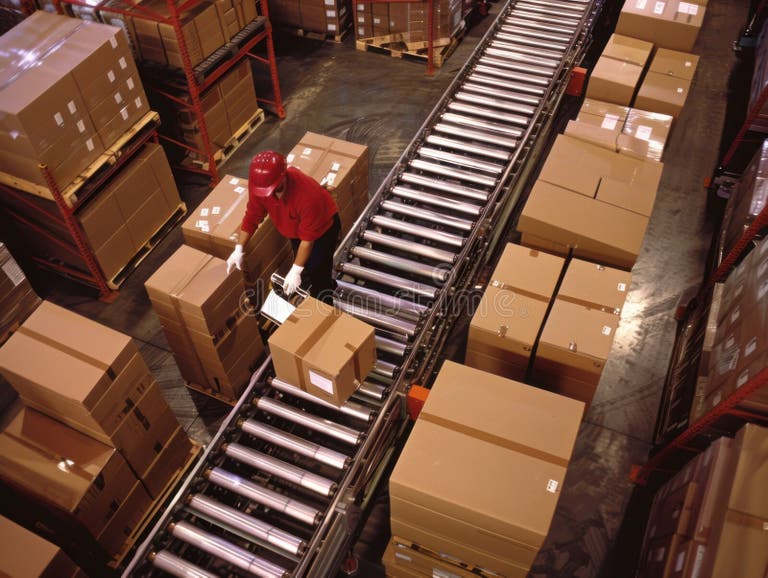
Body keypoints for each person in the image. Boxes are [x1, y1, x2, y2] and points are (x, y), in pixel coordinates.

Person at [226, 150, 341, 304]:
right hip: (295, 230)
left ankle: (324, 306)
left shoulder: (307, 196)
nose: (268, 195)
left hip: (322, 230)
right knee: (304, 266)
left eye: (273, 190)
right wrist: (238, 248)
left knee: (318, 271)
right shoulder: (260, 184)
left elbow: (307, 241)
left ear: (283, 176)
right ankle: (306, 287)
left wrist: (295, 271)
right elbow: (253, 215)